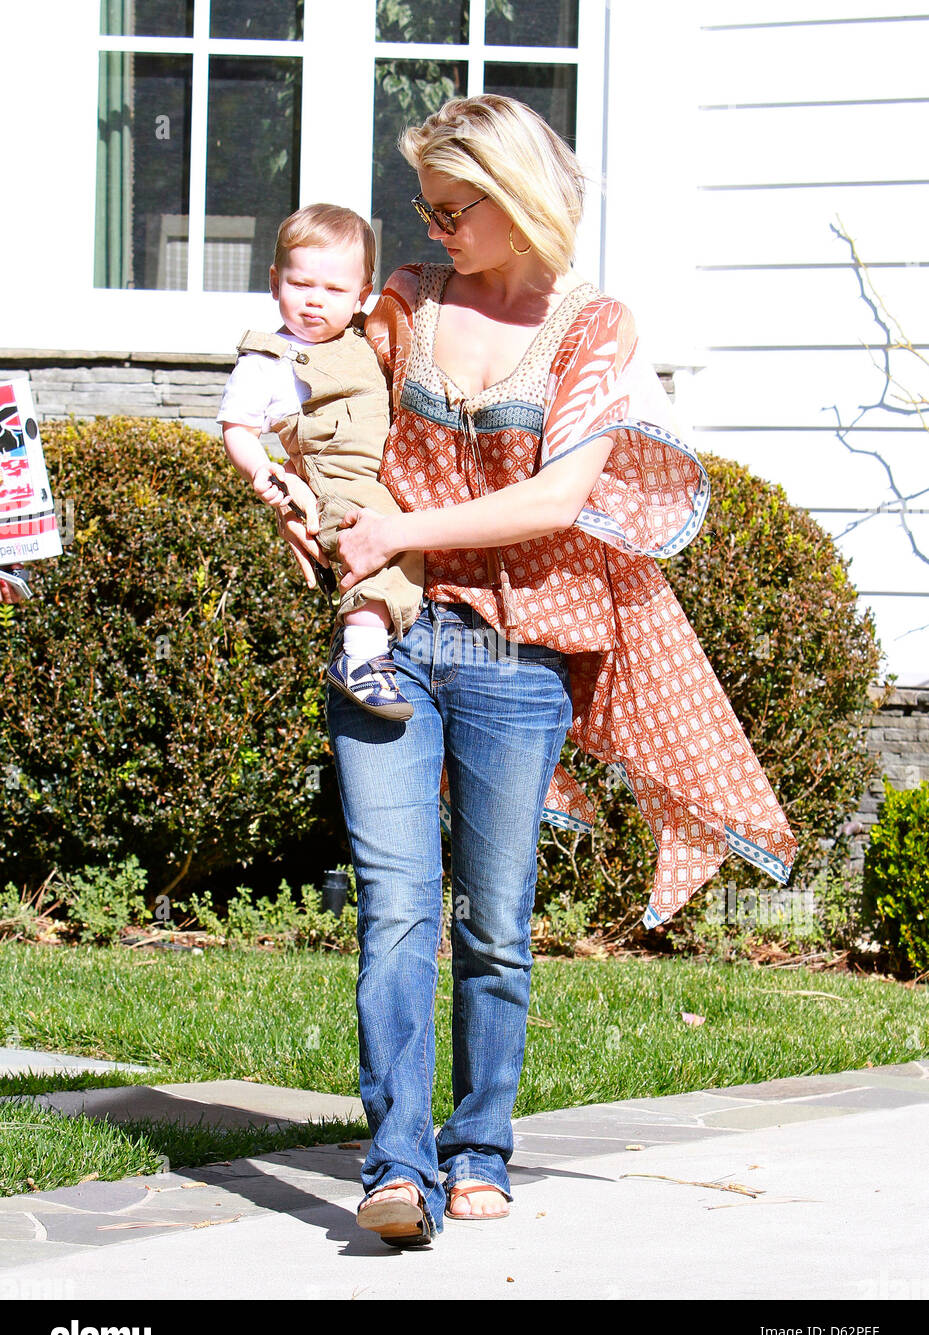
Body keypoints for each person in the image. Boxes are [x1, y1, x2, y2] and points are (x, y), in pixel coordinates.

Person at [276, 95, 798, 1248]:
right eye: (426, 206)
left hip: (518, 656)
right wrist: (282, 472)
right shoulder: (403, 299)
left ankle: (478, 1143)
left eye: (456, 208)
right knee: (397, 908)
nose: (435, 225)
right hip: (393, 636)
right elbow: (326, 408)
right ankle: (396, 1162)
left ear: (515, 201)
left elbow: (560, 495)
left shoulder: (591, 325)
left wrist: (403, 531)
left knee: (496, 925)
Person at [218, 204, 423, 720]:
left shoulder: (365, 340)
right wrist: (266, 474)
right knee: (376, 551)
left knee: (406, 546)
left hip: (382, 474)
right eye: (300, 284)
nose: (314, 302)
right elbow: (237, 427)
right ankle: (360, 658)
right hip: (334, 482)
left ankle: (381, 650)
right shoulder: (268, 360)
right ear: (274, 281)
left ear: (362, 295)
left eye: (334, 291)